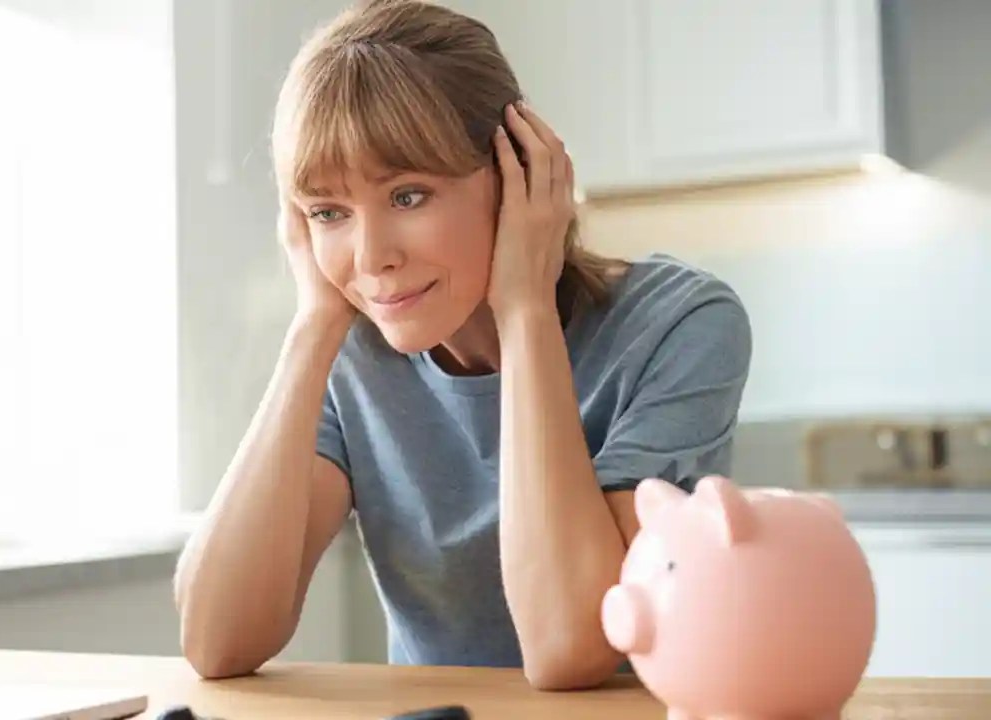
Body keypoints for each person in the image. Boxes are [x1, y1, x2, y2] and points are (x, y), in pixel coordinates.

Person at [174, 0, 751, 691]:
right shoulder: (352, 358)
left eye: (408, 196)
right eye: (329, 212)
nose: (370, 256)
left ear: (516, 178)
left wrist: (525, 310)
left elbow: (572, 647)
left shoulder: (678, 325)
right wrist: (312, 328)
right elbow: (216, 641)